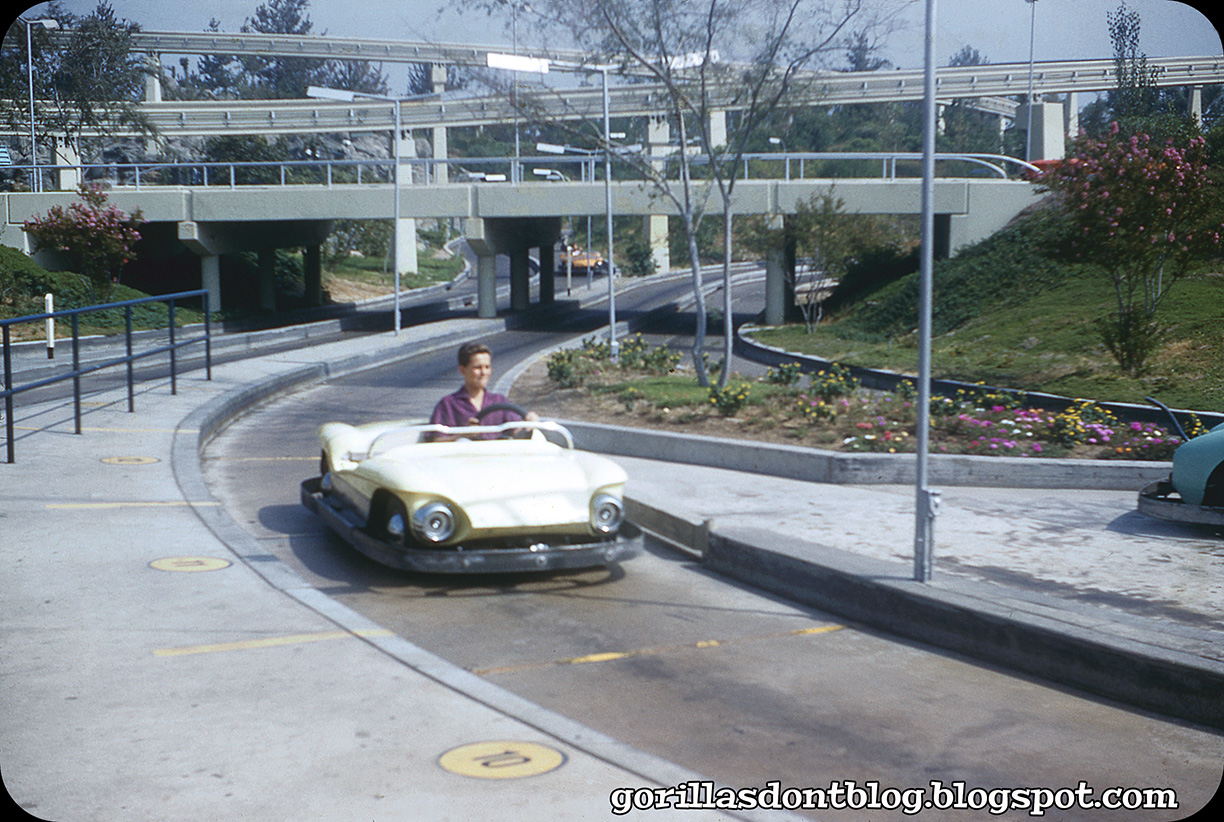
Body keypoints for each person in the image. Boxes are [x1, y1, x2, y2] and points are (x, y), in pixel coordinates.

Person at [429, 342, 537, 439]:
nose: (484, 372)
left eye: (487, 367)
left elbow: (515, 430)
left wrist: (529, 422)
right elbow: (436, 441)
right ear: (462, 370)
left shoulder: (499, 401)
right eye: (477, 367)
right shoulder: (448, 404)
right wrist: (463, 435)